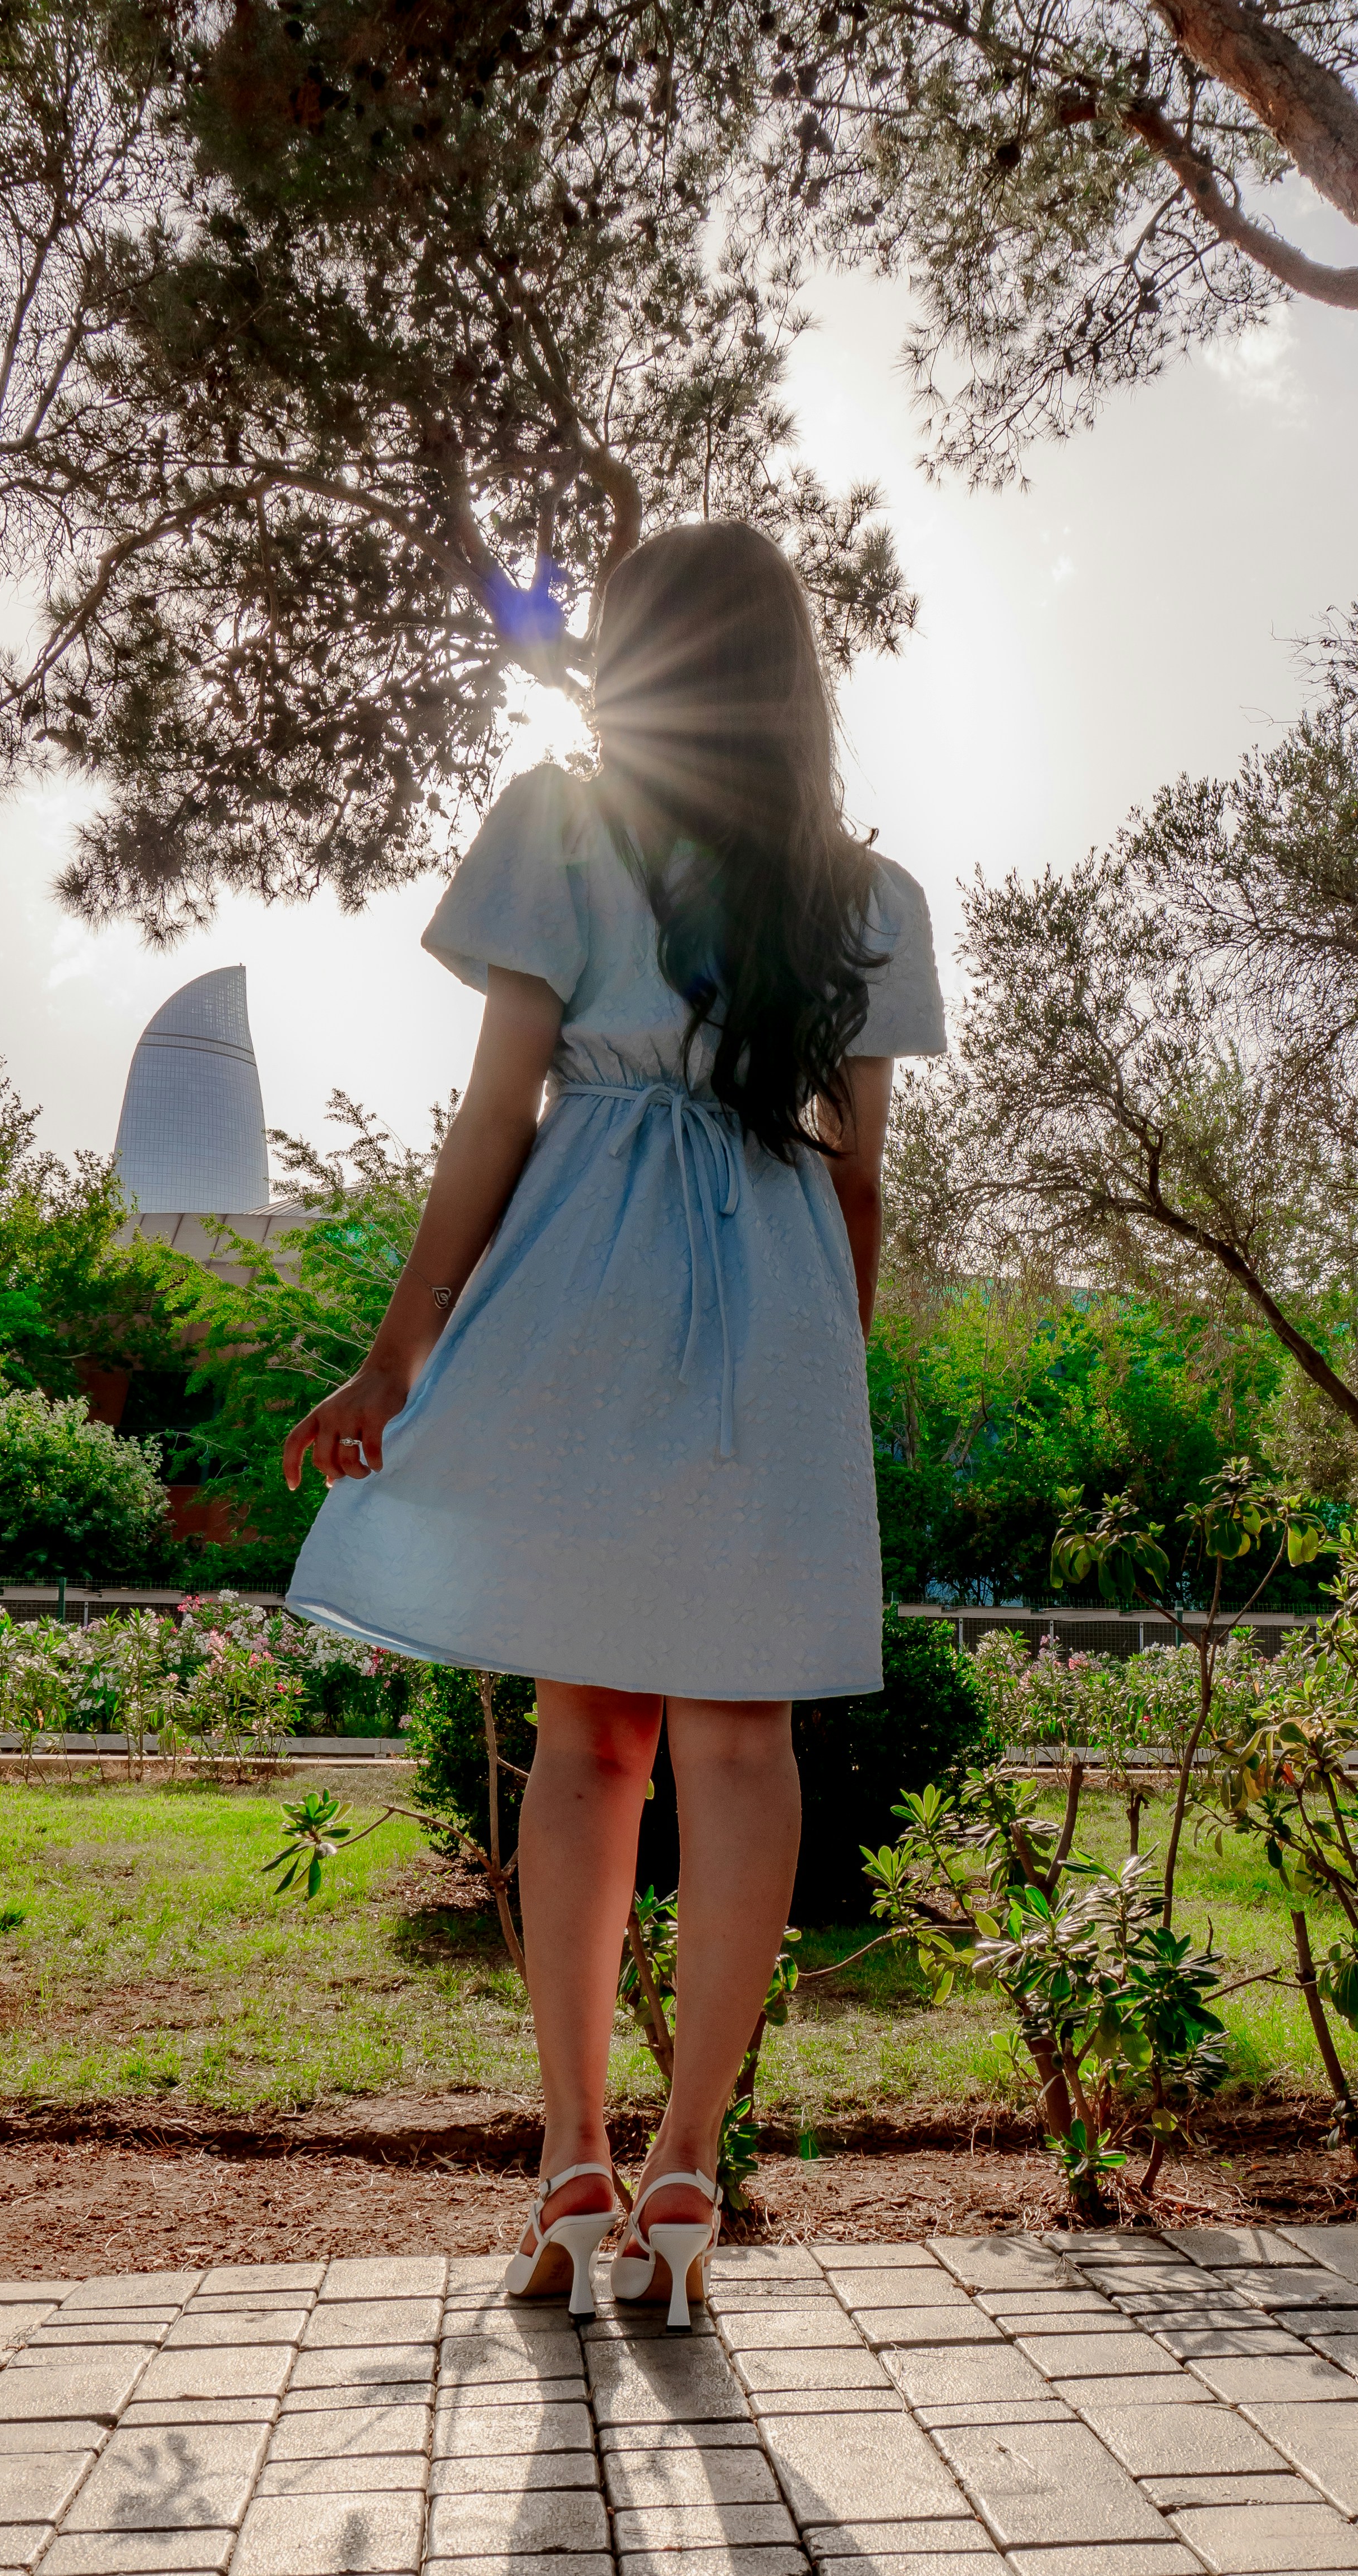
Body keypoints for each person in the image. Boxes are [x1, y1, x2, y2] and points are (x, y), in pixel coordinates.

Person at [282, 522, 943, 2324]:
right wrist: (819, 1386)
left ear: (638, 662)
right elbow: (863, 1181)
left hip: (583, 1277)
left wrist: (400, 1356)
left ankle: (571, 2154)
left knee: (591, 1745)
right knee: (743, 1752)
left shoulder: (558, 825)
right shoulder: (865, 890)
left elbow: (493, 1117)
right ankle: (686, 2171)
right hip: (779, 1314)